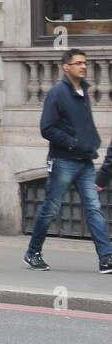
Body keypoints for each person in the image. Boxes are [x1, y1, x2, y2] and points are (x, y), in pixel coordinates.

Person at [27, 50, 112, 273]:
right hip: (63, 161)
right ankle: (33, 252)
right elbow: (47, 128)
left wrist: (92, 140)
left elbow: (83, 124)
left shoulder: (83, 91)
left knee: (94, 208)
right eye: (78, 63)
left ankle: (106, 258)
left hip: (84, 161)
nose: (83, 67)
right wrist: (73, 143)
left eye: (85, 62)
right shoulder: (57, 93)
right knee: (50, 209)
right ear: (66, 67)